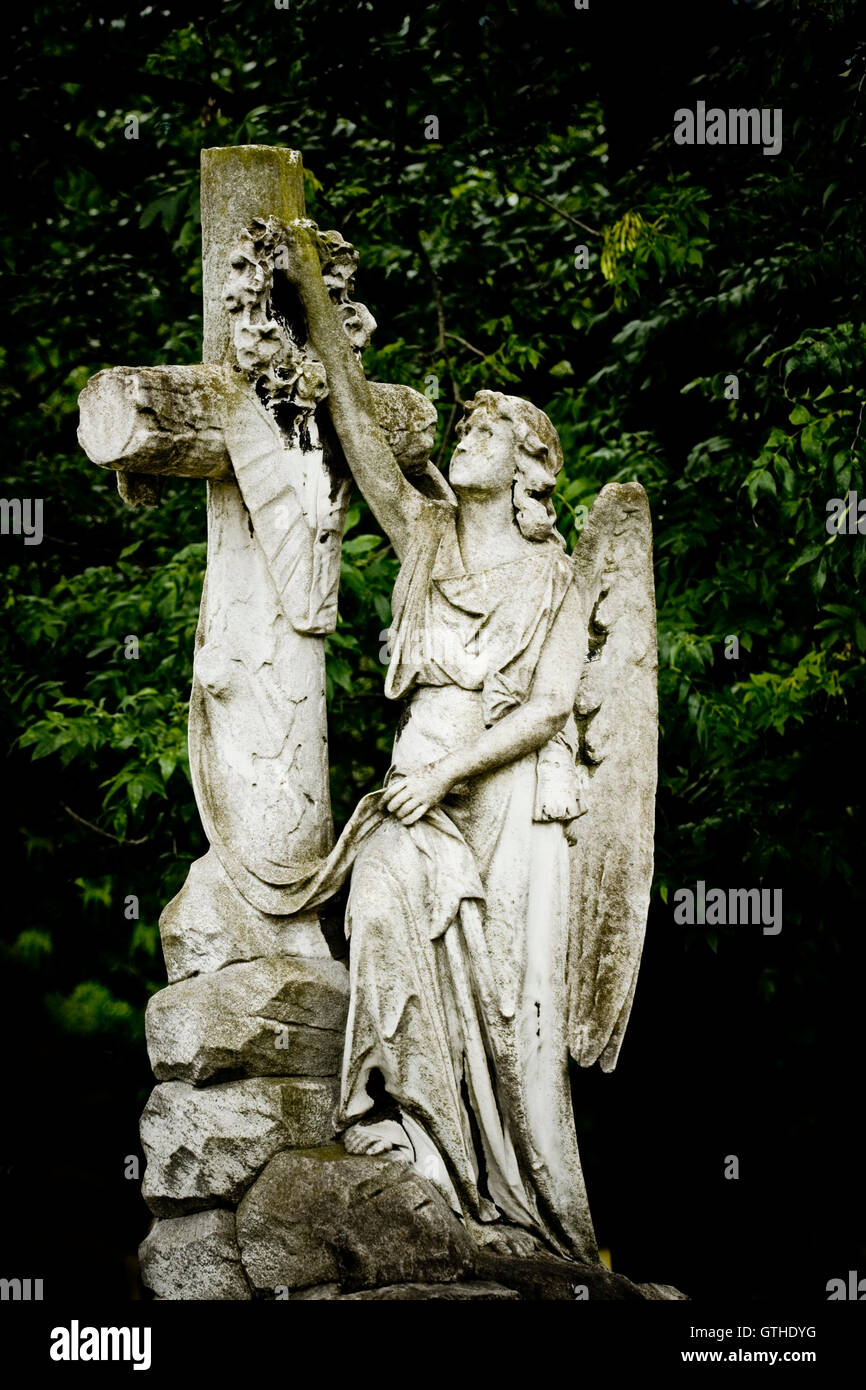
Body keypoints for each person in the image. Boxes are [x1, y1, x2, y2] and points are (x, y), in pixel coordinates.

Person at [278, 222, 599, 1263]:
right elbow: (365, 438)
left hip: (501, 806)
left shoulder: (555, 576)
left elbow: (551, 708)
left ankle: (509, 1204)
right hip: (414, 795)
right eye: (460, 423)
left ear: (527, 464)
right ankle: (411, 1140)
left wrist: (446, 778)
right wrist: (316, 303)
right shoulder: (424, 534)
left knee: (510, 1009)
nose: (462, 434)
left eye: (483, 428)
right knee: (377, 893)